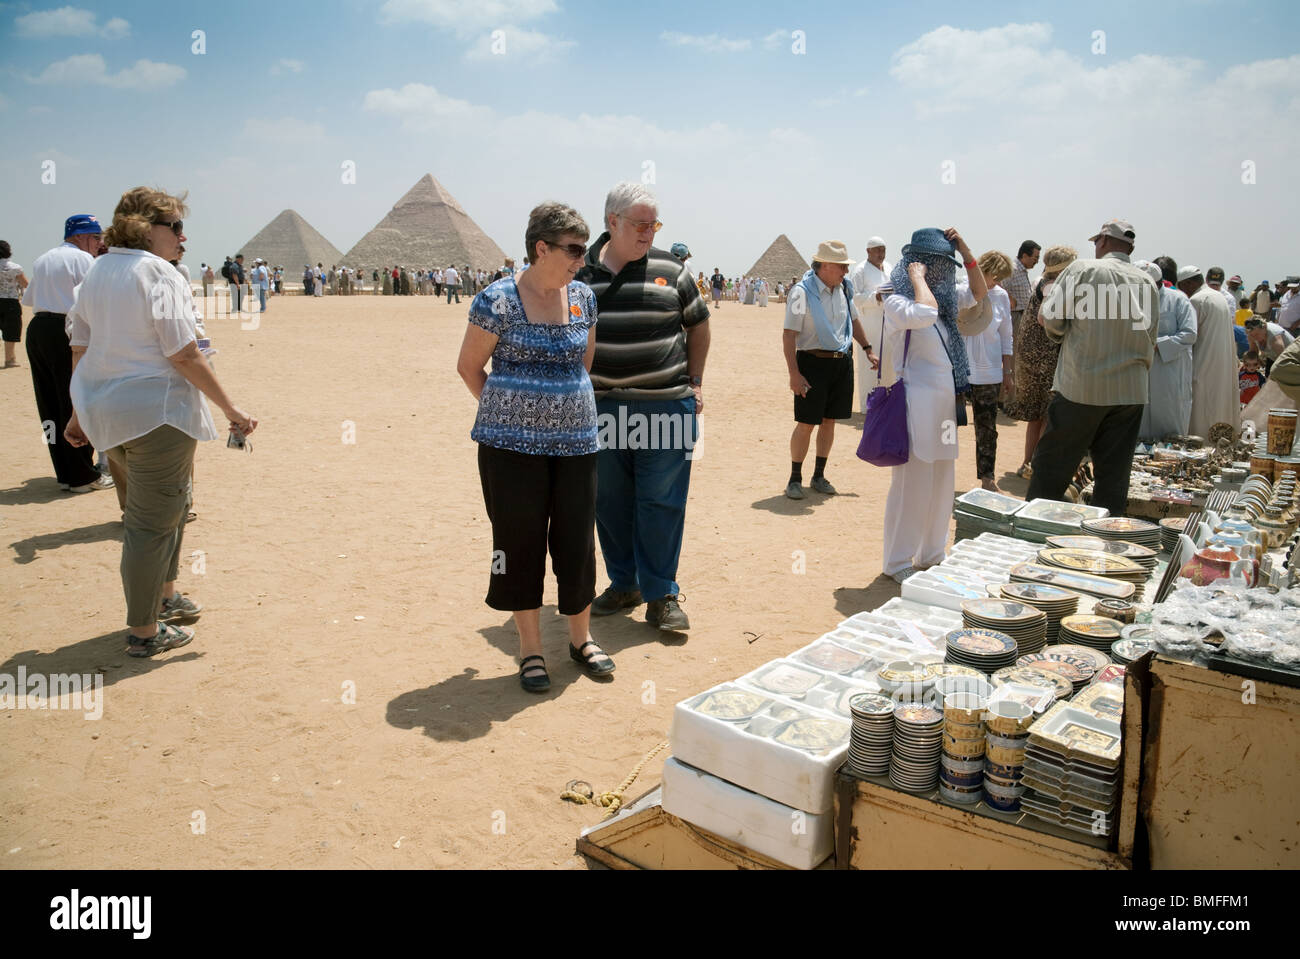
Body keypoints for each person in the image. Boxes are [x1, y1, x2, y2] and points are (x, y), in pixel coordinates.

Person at [64, 187, 257, 658]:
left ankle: (166, 597)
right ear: (145, 227)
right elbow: (184, 352)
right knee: (150, 525)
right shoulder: (159, 274)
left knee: (170, 507)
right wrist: (231, 409)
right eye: (174, 227)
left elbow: (80, 350)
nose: (182, 236)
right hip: (157, 415)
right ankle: (145, 632)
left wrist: (78, 415)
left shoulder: (96, 273)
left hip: (109, 415)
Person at [456, 202, 613, 692]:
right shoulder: (496, 300)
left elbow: (583, 364)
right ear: (540, 248)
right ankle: (529, 650)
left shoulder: (584, 298)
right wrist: (513, 415)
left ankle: (580, 639)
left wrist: (557, 413)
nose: (580, 259)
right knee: (519, 541)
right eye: (571, 249)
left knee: (576, 540)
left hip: (577, 444)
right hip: (510, 450)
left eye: (583, 249)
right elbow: (468, 368)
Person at [577, 182, 710, 632]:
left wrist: (694, 382)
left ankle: (662, 594)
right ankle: (624, 582)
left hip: (665, 407)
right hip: (600, 409)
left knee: (661, 501)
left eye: (655, 224)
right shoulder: (578, 274)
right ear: (611, 222)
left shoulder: (673, 271)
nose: (649, 232)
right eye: (640, 224)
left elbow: (698, 326)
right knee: (609, 502)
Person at [1026, 219, 1158, 517]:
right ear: (1131, 248)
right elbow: (1151, 335)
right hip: (1130, 391)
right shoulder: (1146, 281)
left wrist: (1061, 333)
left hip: (1082, 386)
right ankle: (1102, 545)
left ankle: (1029, 535)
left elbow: (1052, 319)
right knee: (1114, 475)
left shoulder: (1084, 269)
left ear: (1102, 242)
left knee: (1052, 467)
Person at [880, 228, 987, 583]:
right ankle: (898, 561)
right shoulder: (896, 301)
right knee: (913, 485)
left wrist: (966, 251)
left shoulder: (944, 301)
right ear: (919, 265)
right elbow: (923, 313)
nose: (944, 273)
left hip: (944, 407)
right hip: (915, 406)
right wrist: (914, 278)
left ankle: (932, 553)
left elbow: (979, 292)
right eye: (937, 265)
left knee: (942, 481)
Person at [21, 215, 113, 492]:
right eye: (96, 238)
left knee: (48, 401)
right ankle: (83, 475)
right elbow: (94, 299)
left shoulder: (43, 258)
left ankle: (65, 472)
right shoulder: (84, 261)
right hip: (66, 330)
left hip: (39, 329)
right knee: (74, 398)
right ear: (82, 237)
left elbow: (30, 298)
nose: (99, 244)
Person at [782, 241, 876, 500]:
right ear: (824, 266)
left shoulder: (845, 288)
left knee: (829, 421)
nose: (846, 271)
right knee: (806, 423)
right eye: (842, 266)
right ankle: (795, 478)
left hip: (840, 362)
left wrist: (867, 348)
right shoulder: (801, 293)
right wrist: (794, 374)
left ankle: (819, 475)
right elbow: (789, 335)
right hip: (812, 364)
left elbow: (853, 320)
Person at [1004, 246, 1076, 478]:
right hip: (1045, 358)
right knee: (1046, 415)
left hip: (1032, 357)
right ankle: (1036, 466)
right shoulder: (1053, 286)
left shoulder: (1041, 281)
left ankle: (1028, 463)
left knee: (1037, 416)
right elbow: (1046, 319)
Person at [962, 251, 1015, 491]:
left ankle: (987, 478)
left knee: (986, 428)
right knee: (946, 424)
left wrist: (1008, 372)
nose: (995, 281)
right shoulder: (962, 289)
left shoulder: (1001, 296)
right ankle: (937, 476)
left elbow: (1006, 336)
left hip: (990, 373)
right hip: (960, 370)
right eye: (992, 275)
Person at [1137, 257, 1198, 442]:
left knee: (1169, 423)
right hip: (1139, 370)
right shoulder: (1131, 300)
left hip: (1169, 372)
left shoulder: (1178, 300)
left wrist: (1158, 344)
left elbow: (1189, 334)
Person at [1179, 265, 1239, 438]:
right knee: (1219, 404)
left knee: (1202, 410)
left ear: (1189, 283)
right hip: (1222, 363)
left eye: (1182, 287)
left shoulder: (1198, 300)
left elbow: (1189, 335)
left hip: (1204, 363)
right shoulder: (1218, 296)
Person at [849, 236, 893, 415]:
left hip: (890, 324)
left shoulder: (889, 267)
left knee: (890, 365)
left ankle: (888, 404)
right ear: (868, 251)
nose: (881, 254)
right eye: (877, 250)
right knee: (870, 368)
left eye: (883, 250)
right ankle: (868, 408)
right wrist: (875, 297)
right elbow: (854, 298)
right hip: (869, 325)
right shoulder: (860, 271)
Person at [1004, 240, 1041, 340]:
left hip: (1023, 316)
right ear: (1025, 256)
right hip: (1015, 316)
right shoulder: (1012, 269)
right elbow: (998, 285)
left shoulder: (1022, 271)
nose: (1037, 261)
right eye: (1036, 257)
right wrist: (1011, 299)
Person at [0, 241, 28, 368]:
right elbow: (25, 284)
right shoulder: (15, 267)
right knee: (11, 330)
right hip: (10, 301)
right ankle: (10, 359)